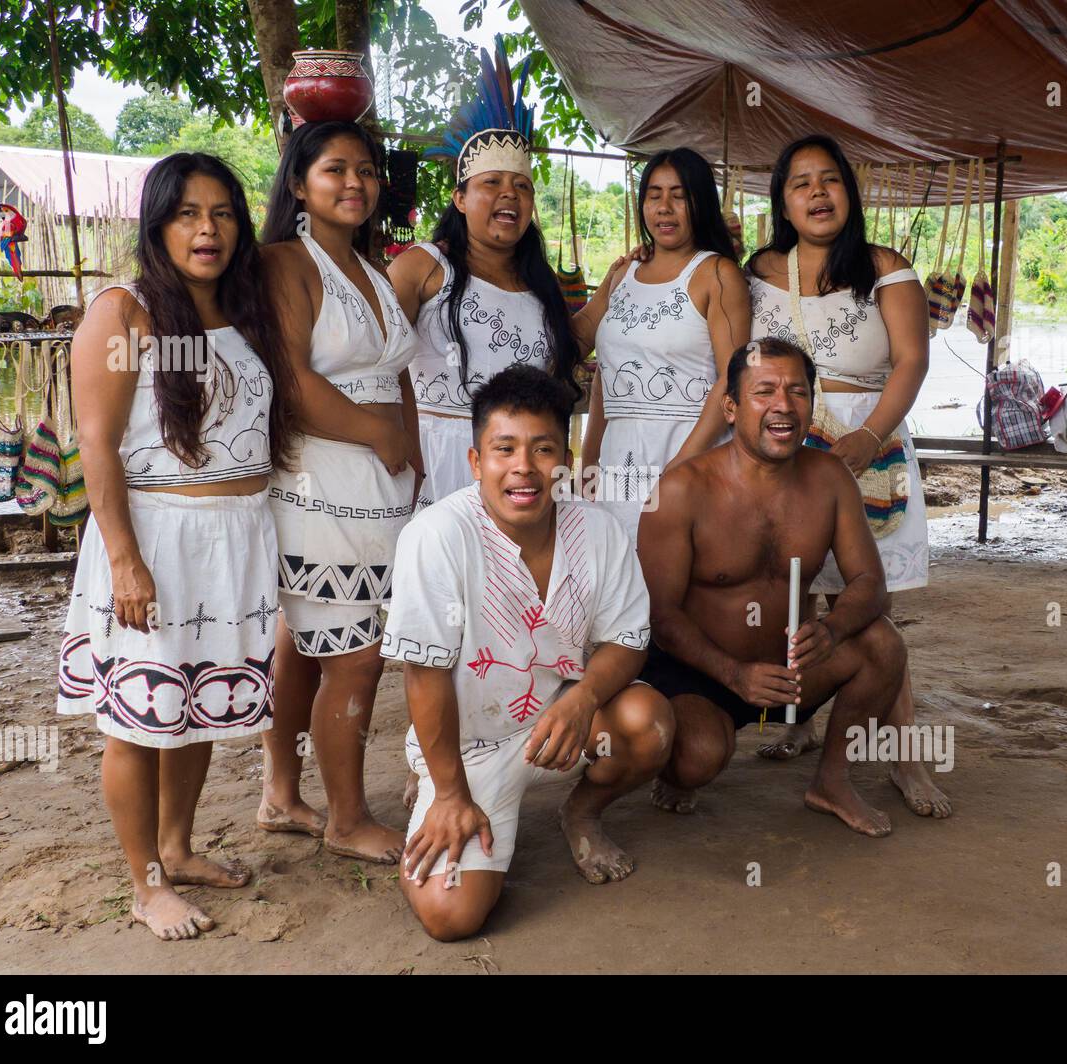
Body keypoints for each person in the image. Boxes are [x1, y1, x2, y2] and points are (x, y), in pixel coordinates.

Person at [57, 152, 297, 940]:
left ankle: (179, 848)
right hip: (157, 537)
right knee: (136, 719)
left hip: (233, 538)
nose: (207, 230)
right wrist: (124, 558)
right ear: (157, 223)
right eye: (189, 213)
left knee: (192, 707)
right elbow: (95, 443)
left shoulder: (242, 310)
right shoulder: (123, 312)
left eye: (224, 213)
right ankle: (145, 881)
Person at [381, 366, 672, 941]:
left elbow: (628, 640)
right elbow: (424, 672)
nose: (523, 468)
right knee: (450, 915)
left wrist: (584, 697)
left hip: (559, 726)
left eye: (542, 450)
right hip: (467, 749)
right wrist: (451, 793)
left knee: (648, 724)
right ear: (474, 462)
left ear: (564, 459)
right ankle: (433, 779)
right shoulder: (436, 536)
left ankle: (580, 813)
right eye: (504, 449)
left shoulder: (600, 531)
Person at [744, 133, 950, 818]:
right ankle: (800, 722)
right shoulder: (760, 271)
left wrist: (867, 435)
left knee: (868, 607)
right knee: (797, 596)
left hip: (872, 445)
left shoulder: (886, 268)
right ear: (782, 200)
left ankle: (905, 758)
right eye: (800, 183)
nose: (816, 193)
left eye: (829, 180)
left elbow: (912, 362)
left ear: (848, 193)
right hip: (786, 442)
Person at [637, 338, 909, 836]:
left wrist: (830, 630)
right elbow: (660, 616)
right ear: (731, 406)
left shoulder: (829, 478)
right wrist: (734, 674)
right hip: (703, 673)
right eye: (764, 391)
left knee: (883, 644)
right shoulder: (681, 490)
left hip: (790, 670)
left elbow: (871, 585)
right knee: (696, 761)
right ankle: (680, 763)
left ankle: (831, 781)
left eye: (798, 392)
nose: (783, 405)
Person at [255, 120, 421, 864]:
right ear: (298, 183)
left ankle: (282, 791)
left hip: (384, 487)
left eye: (367, 170)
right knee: (355, 656)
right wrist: (378, 434)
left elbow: (401, 374)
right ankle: (347, 819)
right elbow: (289, 381)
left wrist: (409, 451)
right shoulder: (285, 263)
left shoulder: (373, 268)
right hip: (320, 480)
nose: (355, 182)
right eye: (335, 169)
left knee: (318, 642)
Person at [388, 36, 620, 512]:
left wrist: (611, 288)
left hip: (521, 469)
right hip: (436, 458)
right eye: (491, 184)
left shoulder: (540, 282)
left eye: (521, 186)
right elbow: (377, 356)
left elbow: (565, 349)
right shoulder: (424, 266)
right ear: (459, 198)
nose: (509, 196)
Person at [580, 147, 750, 544]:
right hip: (617, 465)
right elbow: (606, 378)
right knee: (620, 589)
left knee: (679, 591)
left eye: (679, 195)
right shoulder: (624, 273)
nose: (665, 207)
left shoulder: (717, 274)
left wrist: (679, 468)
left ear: (700, 202)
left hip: (691, 459)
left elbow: (732, 379)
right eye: (654, 195)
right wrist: (589, 466)